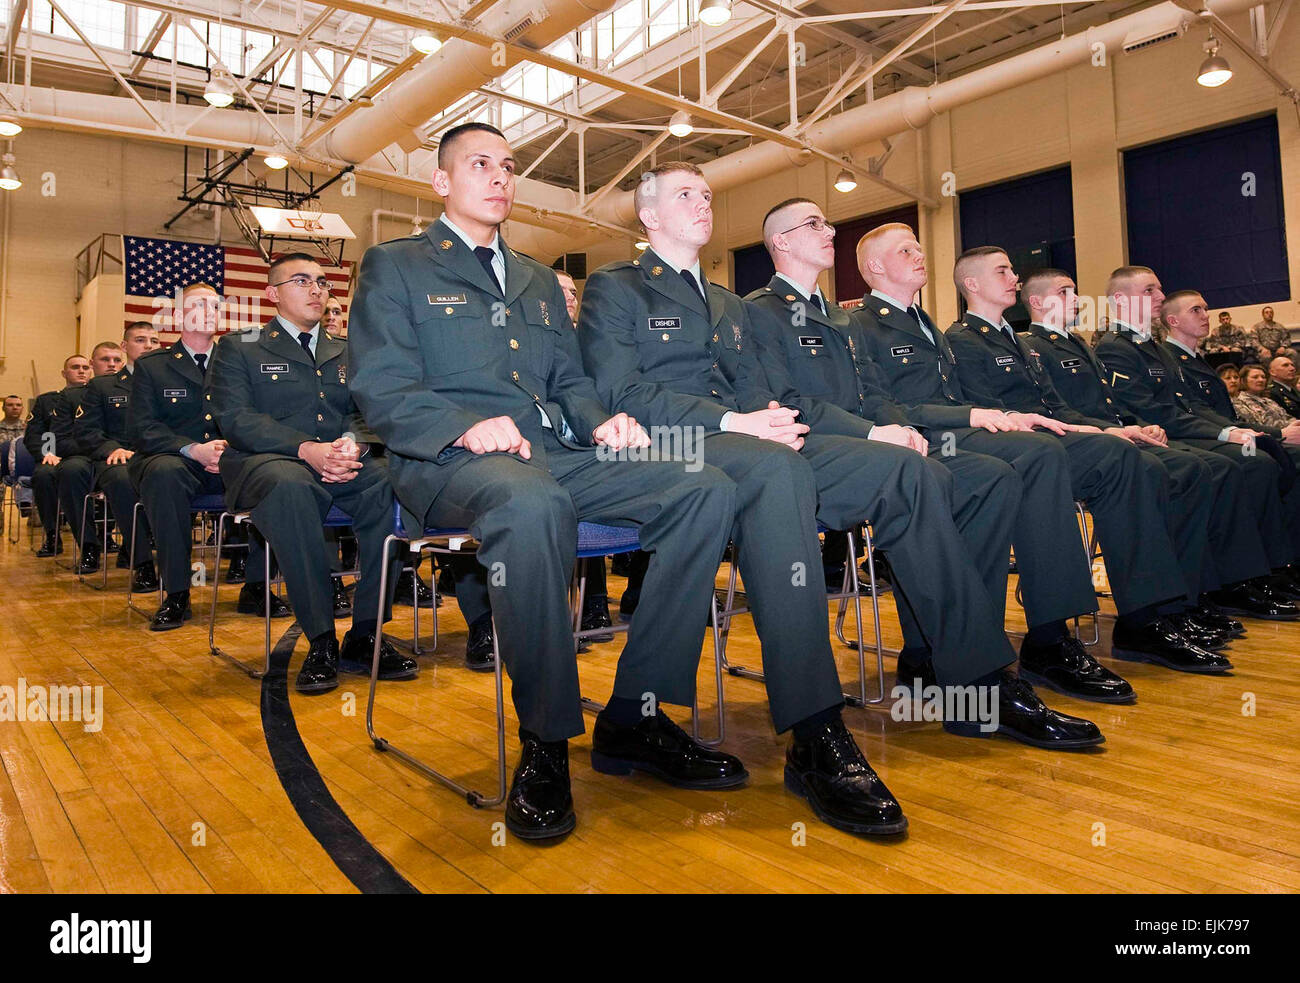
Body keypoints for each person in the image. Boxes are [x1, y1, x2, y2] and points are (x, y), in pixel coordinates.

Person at [582, 164, 1102, 812]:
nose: (704, 203)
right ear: (650, 215)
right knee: (779, 472)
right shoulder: (618, 286)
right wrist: (738, 422)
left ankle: (978, 679)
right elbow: (618, 394)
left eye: (708, 193)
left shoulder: (722, 302)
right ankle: (815, 728)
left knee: (908, 471)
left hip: (750, 438)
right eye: (685, 194)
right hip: (670, 446)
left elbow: (756, 389)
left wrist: (769, 422)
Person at [350, 124, 748, 843]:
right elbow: (378, 385)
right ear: (441, 181)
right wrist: (460, 425)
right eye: (480, 164)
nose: (500, 176)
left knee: (703, 486)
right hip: (449, 461)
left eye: (508, 166)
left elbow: (568, 381)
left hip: (555, 451)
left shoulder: (537, 276)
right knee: (532, 503)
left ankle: (637, 714)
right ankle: (546, 737)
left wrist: (604, 422)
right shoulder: (396, 265)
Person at [743, 199, 1133, 702]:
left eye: (828, 221)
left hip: (880, 443)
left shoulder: (838, 317)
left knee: (991, 478)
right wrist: (874, 433)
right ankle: (972, 676)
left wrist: (899, 426)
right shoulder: (759, 311)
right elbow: (787, 403)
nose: (829, 230)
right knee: (936, 473)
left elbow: (876, 394)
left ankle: (954, 646)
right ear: (781, 241)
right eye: (814, 223)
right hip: (818, 452)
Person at [854, 228, 1227, 672]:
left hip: (972, 434)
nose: (920, 255)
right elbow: (878, 403)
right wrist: (977, 416)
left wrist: (1094, 429)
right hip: (930, 440)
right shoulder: (862, 324)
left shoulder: (926, 324)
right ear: (876, 266)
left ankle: (1144, 614)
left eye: (919, 245)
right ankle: (1042, 637)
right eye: (906, 249)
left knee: (1121, 458)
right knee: (1037, 457)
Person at [947, 254, 1244, 663]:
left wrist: (1109, 428)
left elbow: (1056, 407)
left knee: (1143, 460)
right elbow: (988, 409)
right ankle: (1094, 628)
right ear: (973, 285)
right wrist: (1096, 434)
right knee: (1122, 459)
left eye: (1014, 270)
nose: (1015, 277)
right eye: (1004, 271)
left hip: (1056, 441)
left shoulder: (1017, 341)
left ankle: (1154, 610)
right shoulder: (963, 338)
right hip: (1023, 449)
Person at [1018, 268, 1276, 629]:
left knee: (1207, 468)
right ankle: (1162, 606)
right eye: (1065, 292)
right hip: (1084, 446)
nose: (1078, 299)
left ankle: (1194, 593)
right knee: (1186, 469)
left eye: (1075, 291)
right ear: (1037, 301)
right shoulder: (1034, 345)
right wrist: (1119, 430)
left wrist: (1132, 426)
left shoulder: (1076, 342)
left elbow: (1111, 403)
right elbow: (1057, 409)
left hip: (1113, 436)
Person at [208, 257, 416, 692]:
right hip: (268, 462)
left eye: (322, 282)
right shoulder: (239, 346)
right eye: (301, 281)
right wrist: (306, 449)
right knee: (292, 489)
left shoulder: (345, 349)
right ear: (273, 293)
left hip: (340, 460)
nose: (316, 290)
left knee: (391, 486)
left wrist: (351, 446)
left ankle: (367, 634)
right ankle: (321, 637)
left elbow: (366, 412)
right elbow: (235, 419)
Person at [1096, 270, 1300, 614]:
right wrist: (1228, 433)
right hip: (1161, 436)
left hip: (1185, 431)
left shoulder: (1153, 347)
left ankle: (1268, 569)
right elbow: (1153, 411)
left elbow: (1188, 406)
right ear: (1121, 300)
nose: (1160, 295)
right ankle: (1238, 580)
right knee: (1248, 462)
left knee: (1264, 457)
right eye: (1150, 290)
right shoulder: (1115, 348)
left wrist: (1237, 431)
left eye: (1160, 288)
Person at [130, 284, 285, 630]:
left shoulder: (239, 361)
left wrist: (230, 445)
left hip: (230, 457)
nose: (210, 310)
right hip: (178, 460)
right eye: (199, 304)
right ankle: (177, 593)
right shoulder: (154, 367)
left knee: (277, 474)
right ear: (177, 314)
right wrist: (193, 449)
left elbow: (256, 414)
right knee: (163, 473)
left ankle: (257, 586)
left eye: (216, 305)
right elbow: (143, 428)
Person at [67, 323, 161, 591]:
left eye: (154, 341)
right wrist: (111, 448)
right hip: (116, 458)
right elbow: (86, 431)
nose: (148, 346)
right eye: (141, 340)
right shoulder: (102, 386)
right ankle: (142, 563)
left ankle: (174, 562)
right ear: (125, 346)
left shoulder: (170, 383)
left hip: (157, 455)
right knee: (122, 479)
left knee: (178, 473)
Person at [57, 341, 126, 573]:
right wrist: (96, 447)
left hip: (117, 455)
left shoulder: (131, 391)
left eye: (117, 360)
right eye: (105, 360)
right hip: (86, 457)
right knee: (70, 471)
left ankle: (132, 545)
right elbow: (59, 438)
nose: (112, 365)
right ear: (92, 364)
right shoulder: (70, 397)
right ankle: (88, 546)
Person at [25, 354, 93, 557]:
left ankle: (103, 535)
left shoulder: (97, 398)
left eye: (85, 367)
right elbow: (35, 434)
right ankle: (52, 535)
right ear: (64, 373)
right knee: (44, 476)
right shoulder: (47, 401)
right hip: (54, 457)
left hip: (86, 457)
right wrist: (47, 453)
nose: (81, 371)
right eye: (75, 367)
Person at [1235, 364, 1297, 432]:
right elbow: (1257, 427)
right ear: (1243, 380)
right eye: (1255, 377)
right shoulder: (1238, 403)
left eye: (1263, 377)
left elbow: (1288, 417)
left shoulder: (1269, 401)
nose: (1261, 380)